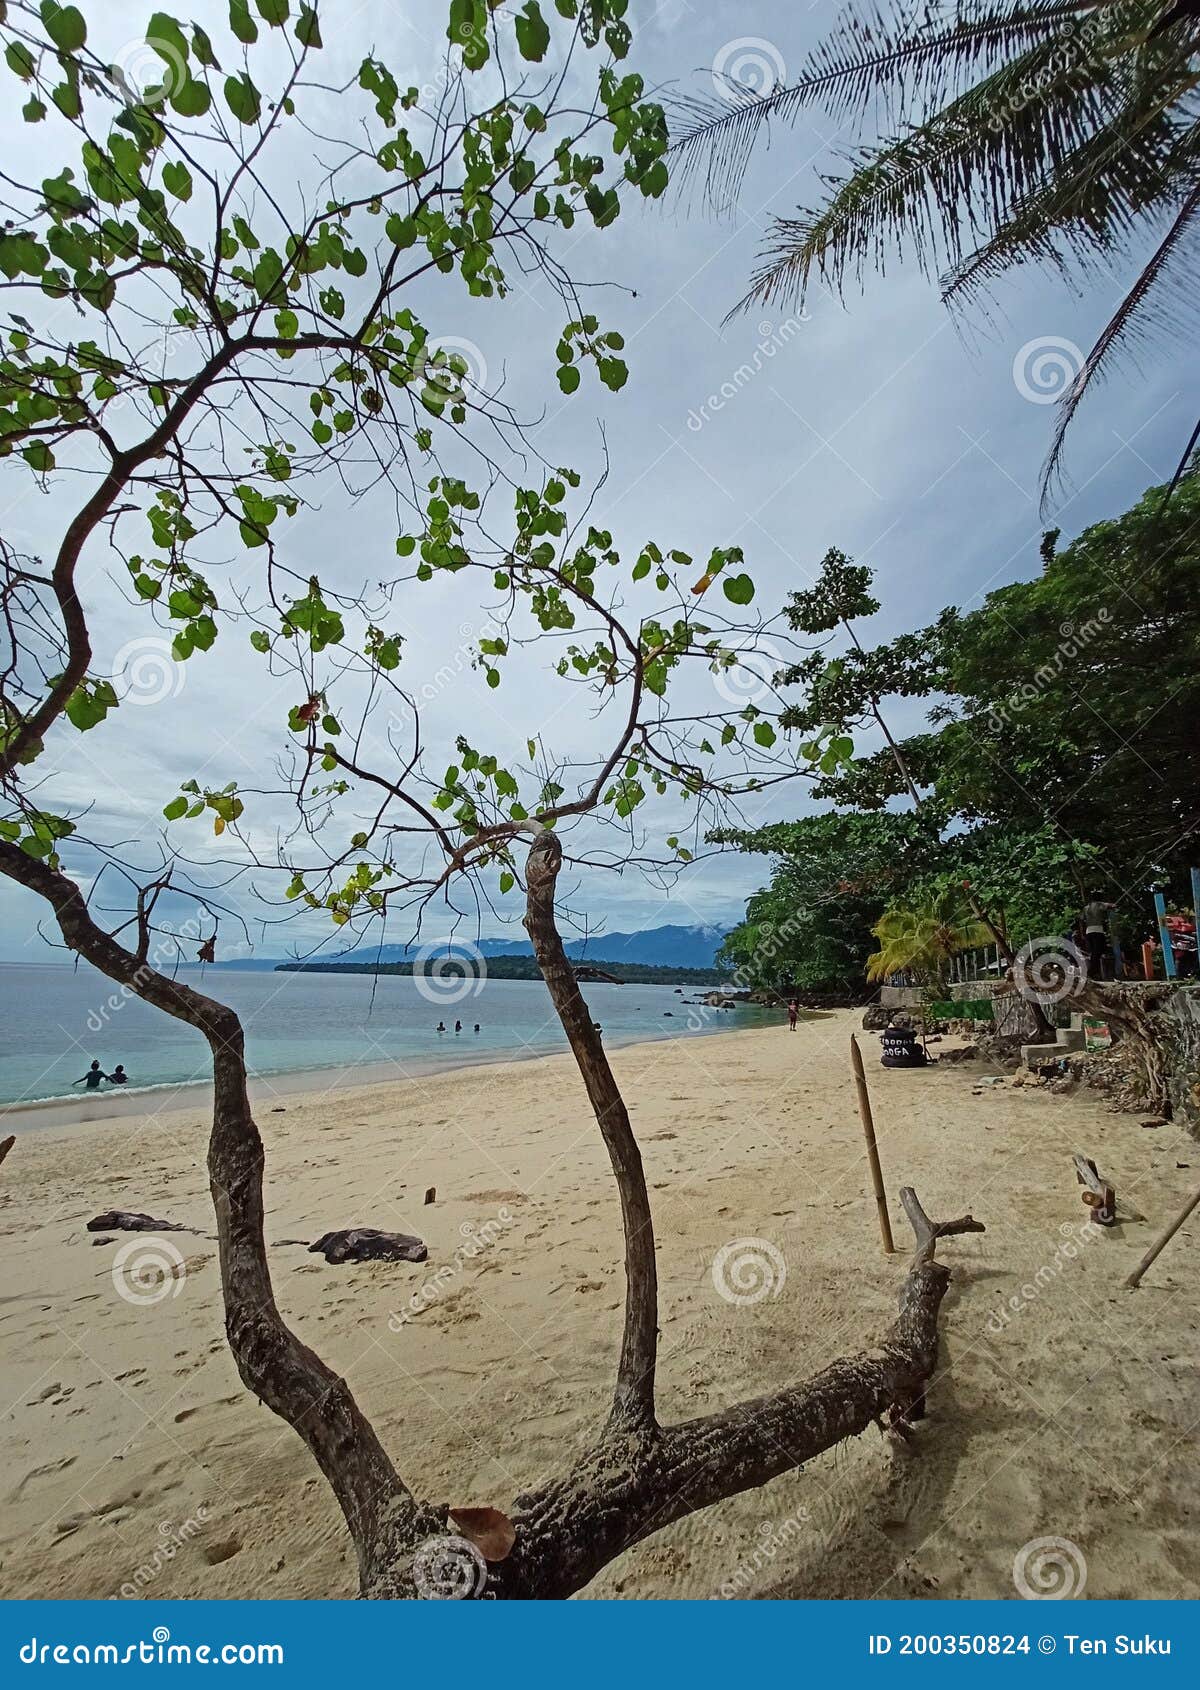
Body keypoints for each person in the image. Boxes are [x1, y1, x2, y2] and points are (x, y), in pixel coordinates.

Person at [1082, 892, 1114, 979]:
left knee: (1094, 953)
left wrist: (1083, 933)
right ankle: (1092, 971)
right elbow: (1110, 905)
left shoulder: (1086, 908)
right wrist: (1113, 905)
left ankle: (1094, 972)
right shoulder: (1099, 904)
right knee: (1098, 952)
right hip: (1098, 931)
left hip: (1089, 932)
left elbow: (1082, 920)